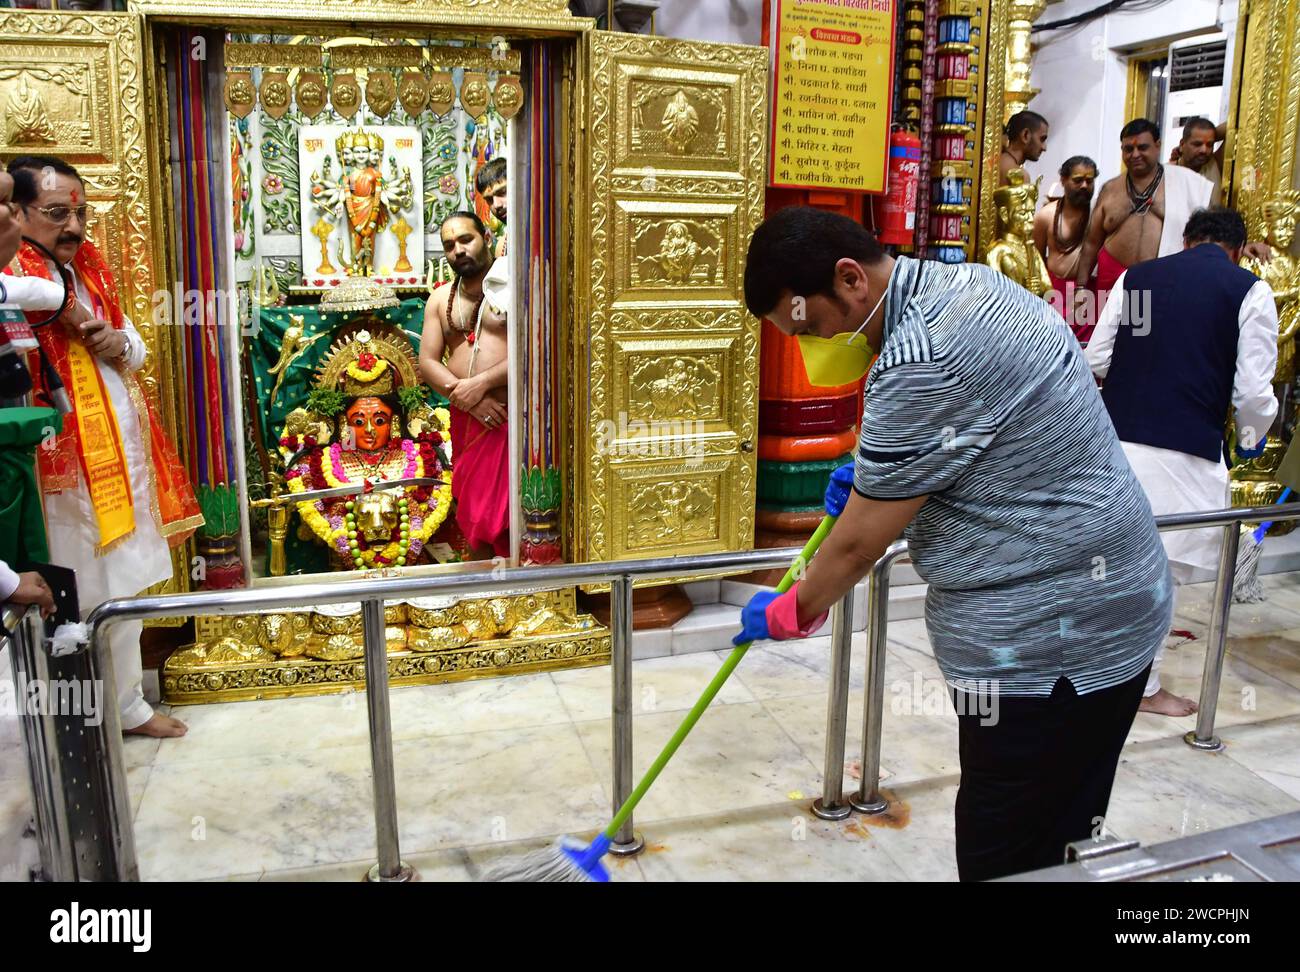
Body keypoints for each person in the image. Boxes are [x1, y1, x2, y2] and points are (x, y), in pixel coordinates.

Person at [735, 207, 1172, 882]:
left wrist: (795, 606)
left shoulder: (922, 356)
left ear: (850, 279)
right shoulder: (964, 283)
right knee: (1065, 830)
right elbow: (979, 431)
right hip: (1115, 610)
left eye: (809, 328)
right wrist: (884, 471)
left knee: (1004, 855)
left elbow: (855, 548)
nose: (811, 347)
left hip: (1050, 648)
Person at [4, 155, 201, 739]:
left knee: (122, 586)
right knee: (70, 593)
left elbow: (132, 344)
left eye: (81, 213)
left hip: (118, 461)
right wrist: (56, 302)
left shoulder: (88, 266)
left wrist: (119, 340)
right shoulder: (11, 269)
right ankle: (69, 729)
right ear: (17, 213)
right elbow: (23, 300)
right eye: (56, 212)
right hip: (53, 472)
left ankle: (125, 707)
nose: (73, 227)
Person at [1085, 208, 1278, 716]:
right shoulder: (1248, 290)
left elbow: (1097, 359)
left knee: (1105, 570)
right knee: (1157, 580)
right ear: (1235, 249)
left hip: (1115, 449)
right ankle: (1140, 690)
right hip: (1186, 454)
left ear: (1186, 242)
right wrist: (1250, 443)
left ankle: (1085, 674)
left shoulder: (1139, 278)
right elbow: (1254, 394)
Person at [418, 212, 510, 559]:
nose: (458, 250)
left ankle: (519, 586)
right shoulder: (440, 299)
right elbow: (427, 361)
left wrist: (482, 384)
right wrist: (470, 399)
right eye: (449, 245)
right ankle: (485, 589)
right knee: (474, 509)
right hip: (469, 418)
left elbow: (533, 349)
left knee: (504, 515)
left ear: (486, 236)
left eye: (465, 240)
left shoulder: (511, 287)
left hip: (505, 416)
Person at [1074, 119, 1214, 327]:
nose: (1135, 154)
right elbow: (1091, 244)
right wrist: (1081, 288)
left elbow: (1212, 236)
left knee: (1151, 346)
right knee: (1108, 349)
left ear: (1158, 146)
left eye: (1143, 147)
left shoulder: (1188, 184)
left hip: (1163, 282)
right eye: (1128, 149)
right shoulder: (1109, 189)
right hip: (1112, 283)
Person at [1033, 155, 1097, 339]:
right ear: (1063, 180)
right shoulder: (1046, 215)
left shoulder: (1098, 214)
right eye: (1078, 180)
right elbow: (1036, 260)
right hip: (1054, 292)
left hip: (1088, 293)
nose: (1084, 185)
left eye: (1089, 181)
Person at [1170, 117, 1226, 201]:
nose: (1204, 150)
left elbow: (1239, 123)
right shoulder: (1166, 174)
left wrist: (1212, 135)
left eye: (1209, 145)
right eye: (1197, 144)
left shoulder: (1214, 164)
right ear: (1182, 144)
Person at [999, 110, 1049, 187]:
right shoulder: (1020, 176)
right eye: (1042, 139)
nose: (1044, 148)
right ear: (1025, 135)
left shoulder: (996, 162)